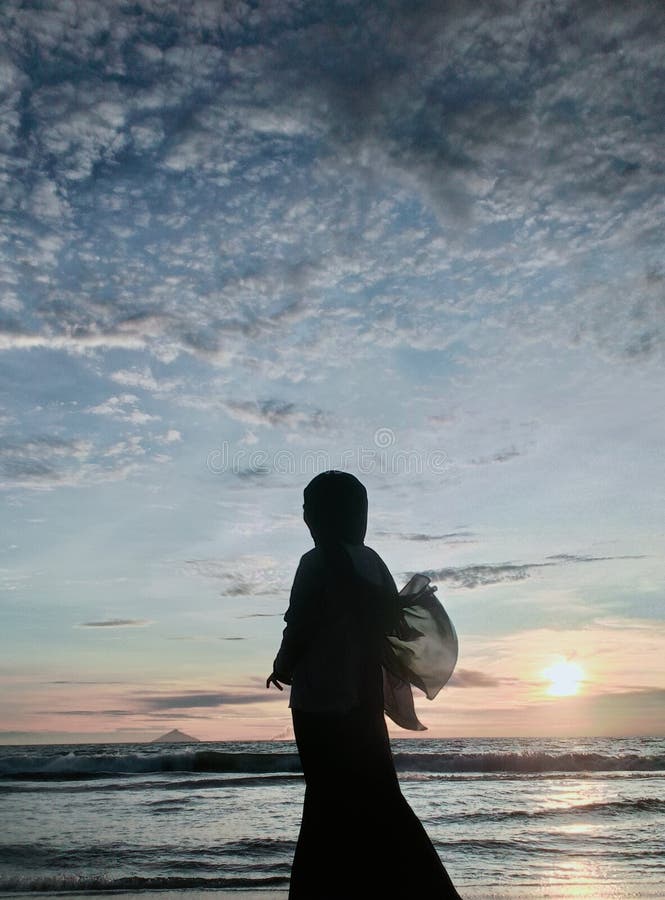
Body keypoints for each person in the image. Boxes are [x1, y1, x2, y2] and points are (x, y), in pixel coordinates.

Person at [266, 470, 463, 899]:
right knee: (380, 798)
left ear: (320, 516)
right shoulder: (372, 562)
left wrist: (282, 665)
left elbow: (299, 625)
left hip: (319, 701)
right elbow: (388, 621)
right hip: (363, 697)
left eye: (307, 510)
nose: (304, 518)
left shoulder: (313, 563)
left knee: (324, 801)